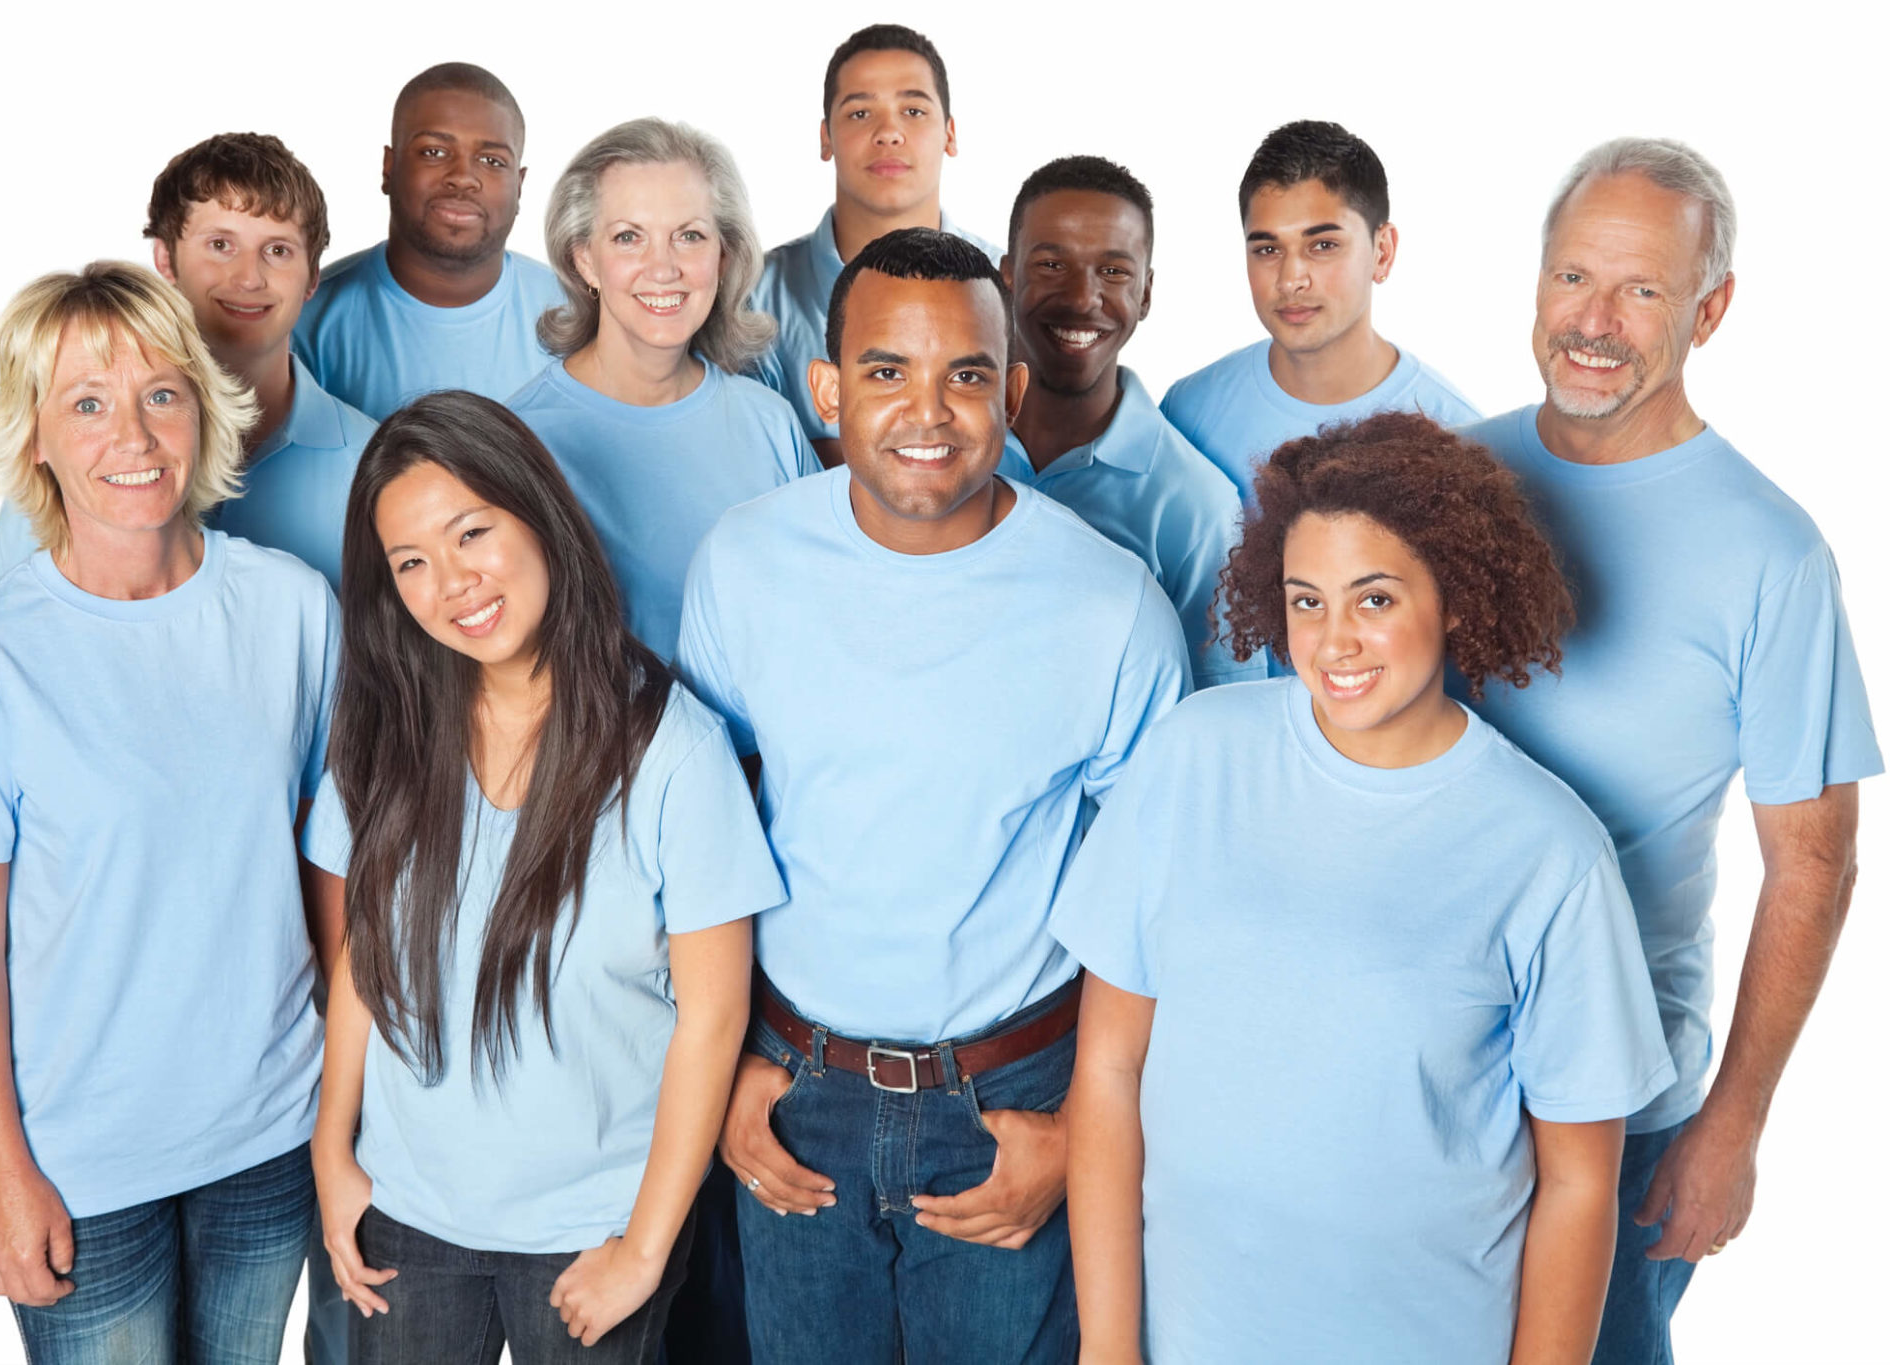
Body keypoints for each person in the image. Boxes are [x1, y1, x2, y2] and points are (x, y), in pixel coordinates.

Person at [1060, 412, 1674, 1364]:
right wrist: (1107, 1347)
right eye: (1307, 601)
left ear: (1458, 599)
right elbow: (1107, 1069)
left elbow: (1581, 1184)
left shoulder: (1549, 850)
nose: (1335, 641)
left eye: (1375, 599)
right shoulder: (1196, 753)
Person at [679, 228, 1190, 1364]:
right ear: (825, 390)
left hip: (1010, 1106)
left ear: (1008, 392)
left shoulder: (1110, 608)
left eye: (964, 374)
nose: (927, 410)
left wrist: (1079, 1134)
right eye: (884, 372)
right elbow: (695, 829)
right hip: (791, 1097)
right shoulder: (744, 562)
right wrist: (715, 1074)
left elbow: (1161, 893)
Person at [0, 262, 339, 1363]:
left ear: (202, 410)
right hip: (82, 1163)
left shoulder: (289, 609)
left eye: (161, 394)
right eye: (87, 403)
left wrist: (345, 1105)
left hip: (269, 1137)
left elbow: (331, 872)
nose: (133, 433)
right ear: (34, 435)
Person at [1459, 138, 1880, 1365]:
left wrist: (1731, 1126)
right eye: (1571, 278)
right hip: (1420, 1084)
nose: (1592, 322)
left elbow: (1814, 866)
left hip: (1620, 1103)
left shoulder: (1772, 554)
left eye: (1639, 291)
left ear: (1710, 309)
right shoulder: (1449, 482)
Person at [304, 392, 782, 1365]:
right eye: (410, 563)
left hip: (591, 1226)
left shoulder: (671, 751)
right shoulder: (387, 737)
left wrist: (645, 1249)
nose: (451, 583)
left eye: (470, 531)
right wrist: (332, 1150)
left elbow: (713, 1018)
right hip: (406, 1214)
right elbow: (364, 957)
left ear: (539, 513)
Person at [0, 132, 377, 593]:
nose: (248, 277)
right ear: (165, 258)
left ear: (311, 279)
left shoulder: (376, 463)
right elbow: (5, 623)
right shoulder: (77, 443)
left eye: (278, 250)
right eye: (220, 245)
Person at [507, 118, 817, 661]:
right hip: (604, 745)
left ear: (723, 256)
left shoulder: (770, 423)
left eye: (689, 235)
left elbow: (822, 599)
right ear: (585, 261)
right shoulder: (517, 439)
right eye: (629, 237)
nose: (663, 268)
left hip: (759, 746)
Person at [997, 155, 1259, 691]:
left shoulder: (1199, 508)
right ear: (1006, 276)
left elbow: (1224, 715)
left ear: (1145, 294)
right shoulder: (939, 444)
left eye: (1114, 272)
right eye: (1051, 265)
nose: (1080, 298)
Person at [1161, 120, 1478, 506]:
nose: (1291, 280)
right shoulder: (1188, 414)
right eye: (1267, 249)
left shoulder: (1458, 438)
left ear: (1382, 252)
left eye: (1323, 245)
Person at [750, 24, 997, 466]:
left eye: (914, 111)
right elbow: (751, 463)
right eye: (861, 113)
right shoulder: (753, 294)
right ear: (826, 137)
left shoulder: (1010, 286)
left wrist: (832, 453)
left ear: (950, 134)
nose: (889, 132)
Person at [292, 63, 564, 419]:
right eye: (434, 152)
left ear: (520, 185)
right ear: (389, 168)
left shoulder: (576, 319)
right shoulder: (304, 322)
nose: (463, 178)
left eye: (491, 160)